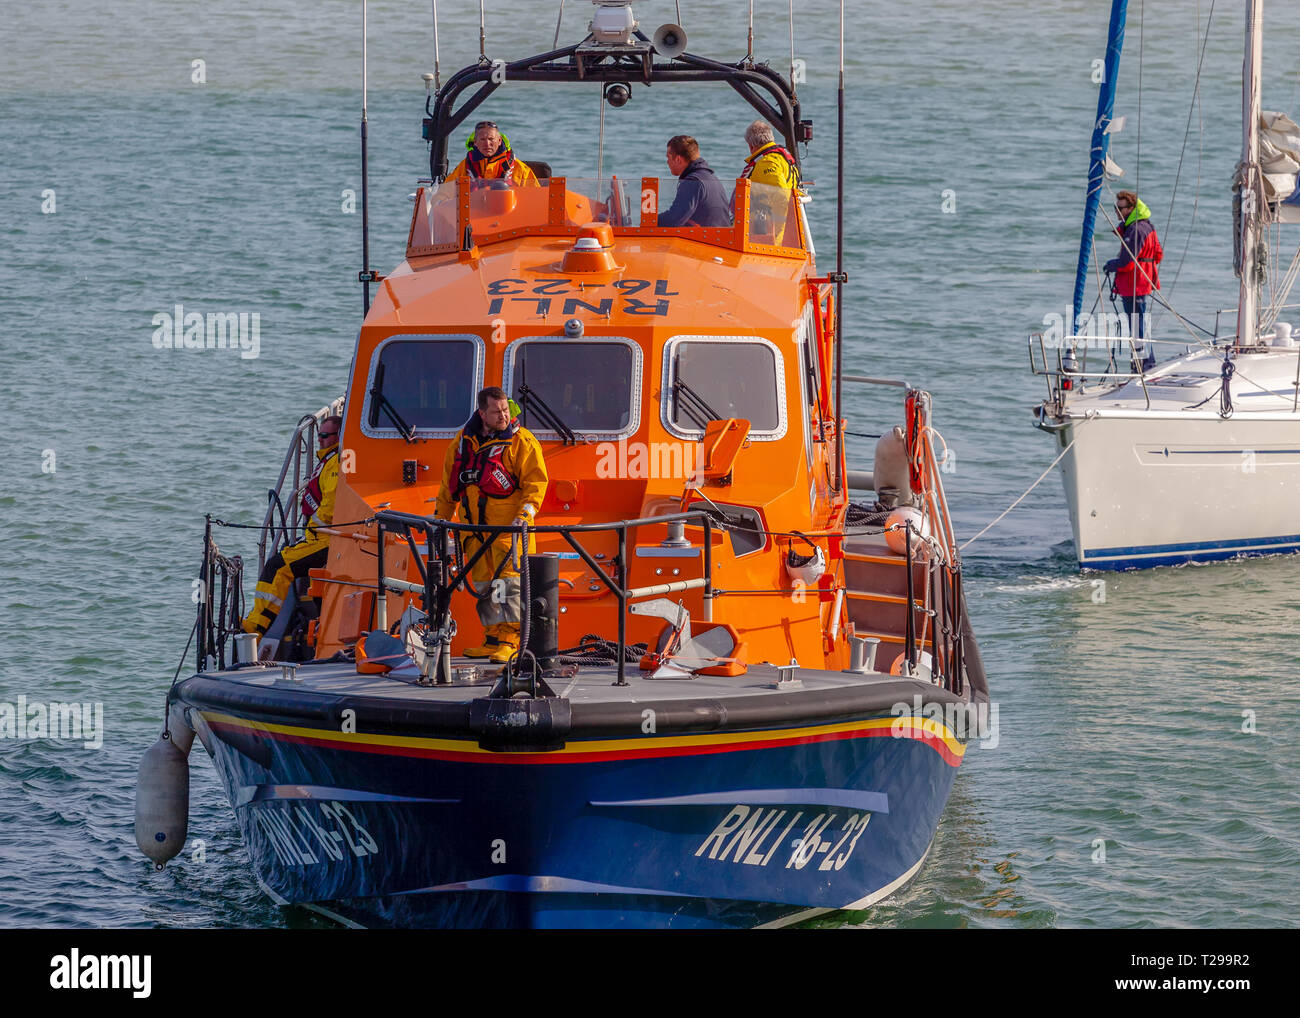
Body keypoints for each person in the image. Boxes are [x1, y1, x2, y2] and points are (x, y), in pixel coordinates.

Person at [435, 387, 548, 663]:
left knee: (509, 584)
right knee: (484, 584)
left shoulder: (522, 442)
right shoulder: (462, 443)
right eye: (497, 412)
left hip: (508, 532)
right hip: (474, 531)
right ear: (482, 414)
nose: (504, 416)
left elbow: (536, 484)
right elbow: (448, 487)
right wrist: (440, 521)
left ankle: (510, 640)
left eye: (506, 410)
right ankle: (492, 637)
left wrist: (524, 516)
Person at [243, 415, 342, 638]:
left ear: (338, 437)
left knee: (277, 566)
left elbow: (332, 503)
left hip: (328, 539)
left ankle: (256, 627)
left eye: (325, 436)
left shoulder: (336, 461)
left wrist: (315, 525)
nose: (320, 440)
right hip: (319, 537)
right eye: (319, 435)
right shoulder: (329, 459)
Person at [1104, 190, 1163, 372]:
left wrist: (1111, 265)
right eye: (1116, 207)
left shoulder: (1136, 230)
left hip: (1135, 285)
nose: (1117, 211)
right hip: (1139, 283)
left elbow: (1127, 261)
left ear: (1131, 208)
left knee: (1137, 327)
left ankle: (1144, 366)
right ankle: (1146, 364)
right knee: (1139, 325)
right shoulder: (1146, 226)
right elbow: (1158, 253)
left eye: (1120, 208)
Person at [740, 120, 801, 243]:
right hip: (771, 233)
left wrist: (769, 232)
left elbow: (782, 195)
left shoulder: (767, 163)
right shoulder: (781, 158)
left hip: (763, 236)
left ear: (751, 145)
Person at [658, 135, 732, 228]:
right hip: (719, 238)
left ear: (678, 159)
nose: (667, 162)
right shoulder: (712, 178)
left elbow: (674, 219)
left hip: (704, 240)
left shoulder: (692, 182)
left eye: (668, 157)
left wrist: (650, 221)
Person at [445, 121, 540, 188]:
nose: (487, 144)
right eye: (482, 139)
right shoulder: (465, 166)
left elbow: (537, 197)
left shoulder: (519, 168)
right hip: (474, 213)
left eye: (491, 139)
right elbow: (443, 194)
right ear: (475, 142)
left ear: (499, 141)